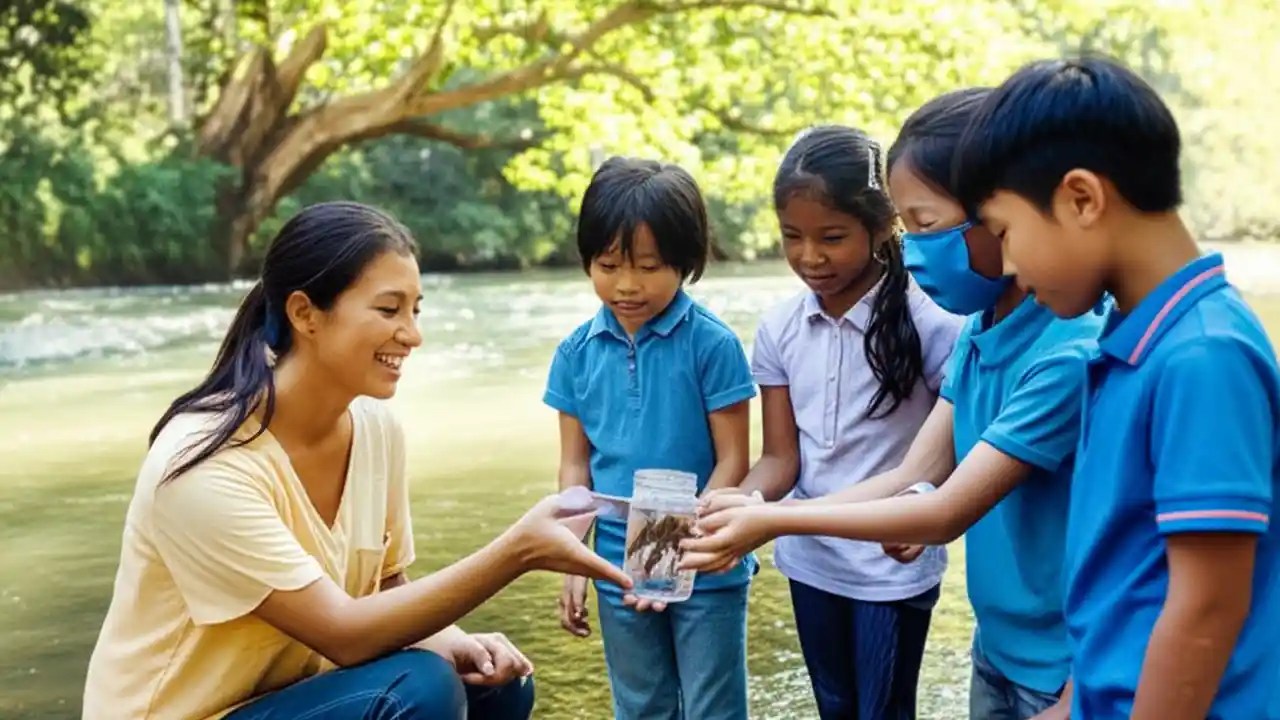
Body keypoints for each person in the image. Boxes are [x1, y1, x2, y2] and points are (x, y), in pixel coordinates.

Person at [82, 201, 629, 720]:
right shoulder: (204, 466)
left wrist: (461, 644)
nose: (412, 335)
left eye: (415, 311)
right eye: (389, 309)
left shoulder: (376, 431)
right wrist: (518, 551)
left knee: (496, 681)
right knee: (420, 691)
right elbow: (345, 633)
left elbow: (386, 590)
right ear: (305, 313)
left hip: (297, 698)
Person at [682, 92, 1105, 720]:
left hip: (1062, 665)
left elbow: (941, 513)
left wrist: (771, 521)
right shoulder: (979, 328)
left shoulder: (1061, 348)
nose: (913, 249)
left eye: (926, 226)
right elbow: (915, 475)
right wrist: (756, 506)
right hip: (998, 649)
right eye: (909, 229)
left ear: (1000, 211)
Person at [950, 56, 1280, 719]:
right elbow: (1124, 580)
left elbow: (1206, 608)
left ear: (1081, 198)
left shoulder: (1203, 356)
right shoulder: (1129, 343)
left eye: (1006, 231)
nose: (1008, 263)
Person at [706, 124, 964, 720]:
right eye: (792, 237)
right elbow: (779, 461)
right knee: (835, 708)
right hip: (808, 557)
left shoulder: (934, 320)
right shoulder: (780, 329)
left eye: (831, 237)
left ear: (882, 227)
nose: (809, 257)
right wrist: (725, 511)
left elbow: (951, 448)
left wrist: (928, 496)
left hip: (887, 566)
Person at [545, 156, 757, 719]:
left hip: (705, 556)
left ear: (686, 263)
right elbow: (574, 471)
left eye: (649, 266)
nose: (627, 285)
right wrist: (573, 560)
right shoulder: (574, 355)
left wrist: (673, 553)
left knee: (715, 707)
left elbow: (734, 460)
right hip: (616, 562)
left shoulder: (712, 344)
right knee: (641, 706)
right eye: (609, 264)